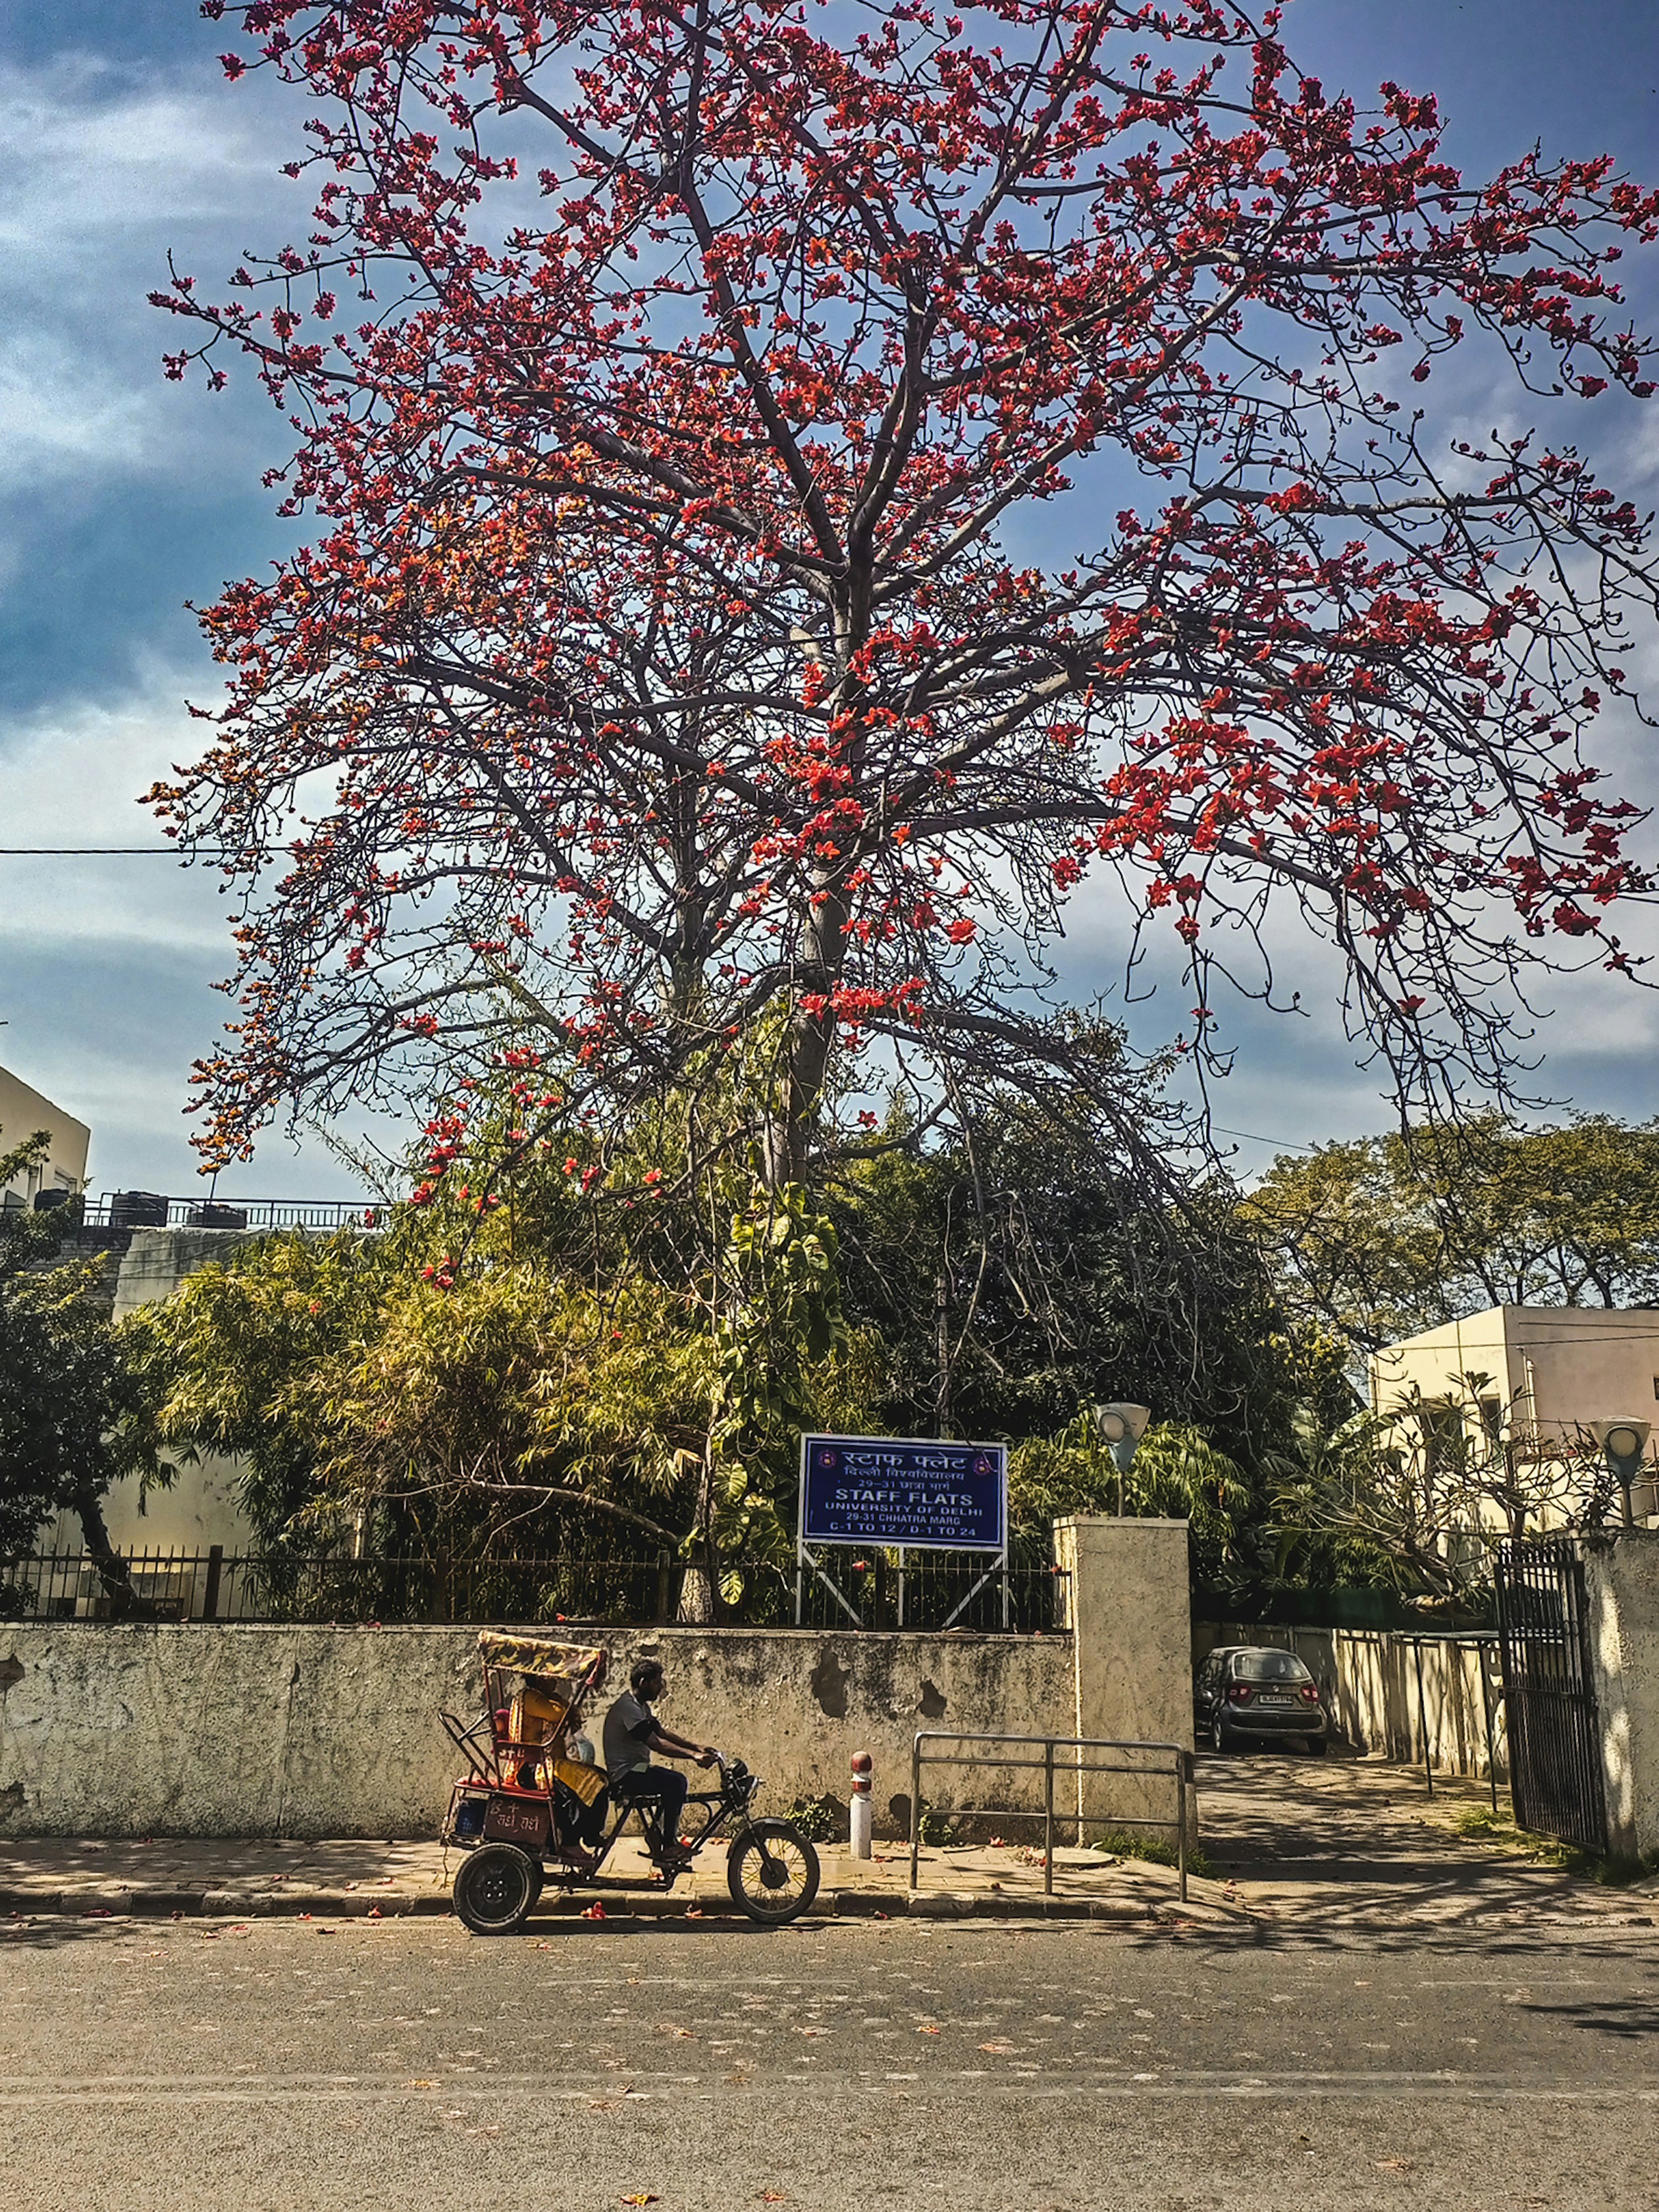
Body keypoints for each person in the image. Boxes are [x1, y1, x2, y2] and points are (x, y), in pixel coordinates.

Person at [602, 1658, 718, 1869]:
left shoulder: (640, 1706)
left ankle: (661, 1838)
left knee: (670, 1782)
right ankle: (668, 1845)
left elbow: (662, 1732)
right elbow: (656, 1744)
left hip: (637, 1769)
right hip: (626, 1775)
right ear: (644, 1682)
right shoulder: (628, 1708)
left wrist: (697, 1748)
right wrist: (693, 1756)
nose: (661, 1686)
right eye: (657, 1682)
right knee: (676, 1783)